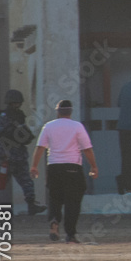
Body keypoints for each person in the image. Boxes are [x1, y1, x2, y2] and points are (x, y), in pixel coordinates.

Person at [29, 100, 98, 243]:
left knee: (55, 197)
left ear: (58, 111)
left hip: (54, 167)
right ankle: (70, 234)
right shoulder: (77, 126)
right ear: (71, 112)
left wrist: (34, 166)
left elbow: (40, 147)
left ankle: (54, 220)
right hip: (73, 167)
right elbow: (87, 149)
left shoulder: (49, 126)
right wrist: (93, 166)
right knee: (73, 201)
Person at [0, 89, 45, 216]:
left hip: (19, 157)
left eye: (18, 103)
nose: (16, 105)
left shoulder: (19, 116)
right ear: (9, 102)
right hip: (6, 158)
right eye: (14, 103)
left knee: (26, 181)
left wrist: (26, 136)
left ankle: (31, 205)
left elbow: (24, 134)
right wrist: (1, 153)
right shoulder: (2, 118)